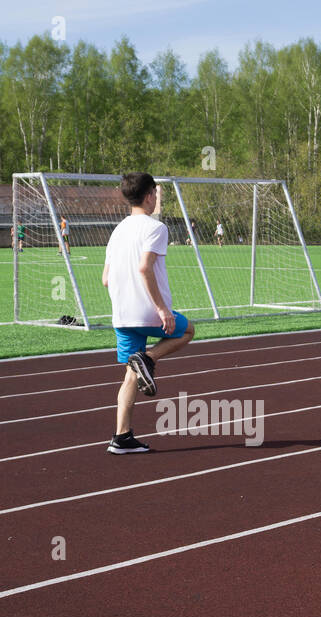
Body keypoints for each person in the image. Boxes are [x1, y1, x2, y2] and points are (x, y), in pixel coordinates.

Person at [101, 171, 195, 454]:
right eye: (155, 192)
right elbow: (144, 268)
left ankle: (122, 436)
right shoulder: (156, 228)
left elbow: (106, 278)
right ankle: (148, 358)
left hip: (121, 313)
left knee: (131, 373)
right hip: (148, 312)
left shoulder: (117, 231)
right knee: (188, 330)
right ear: (149, 195)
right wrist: (162, 309)